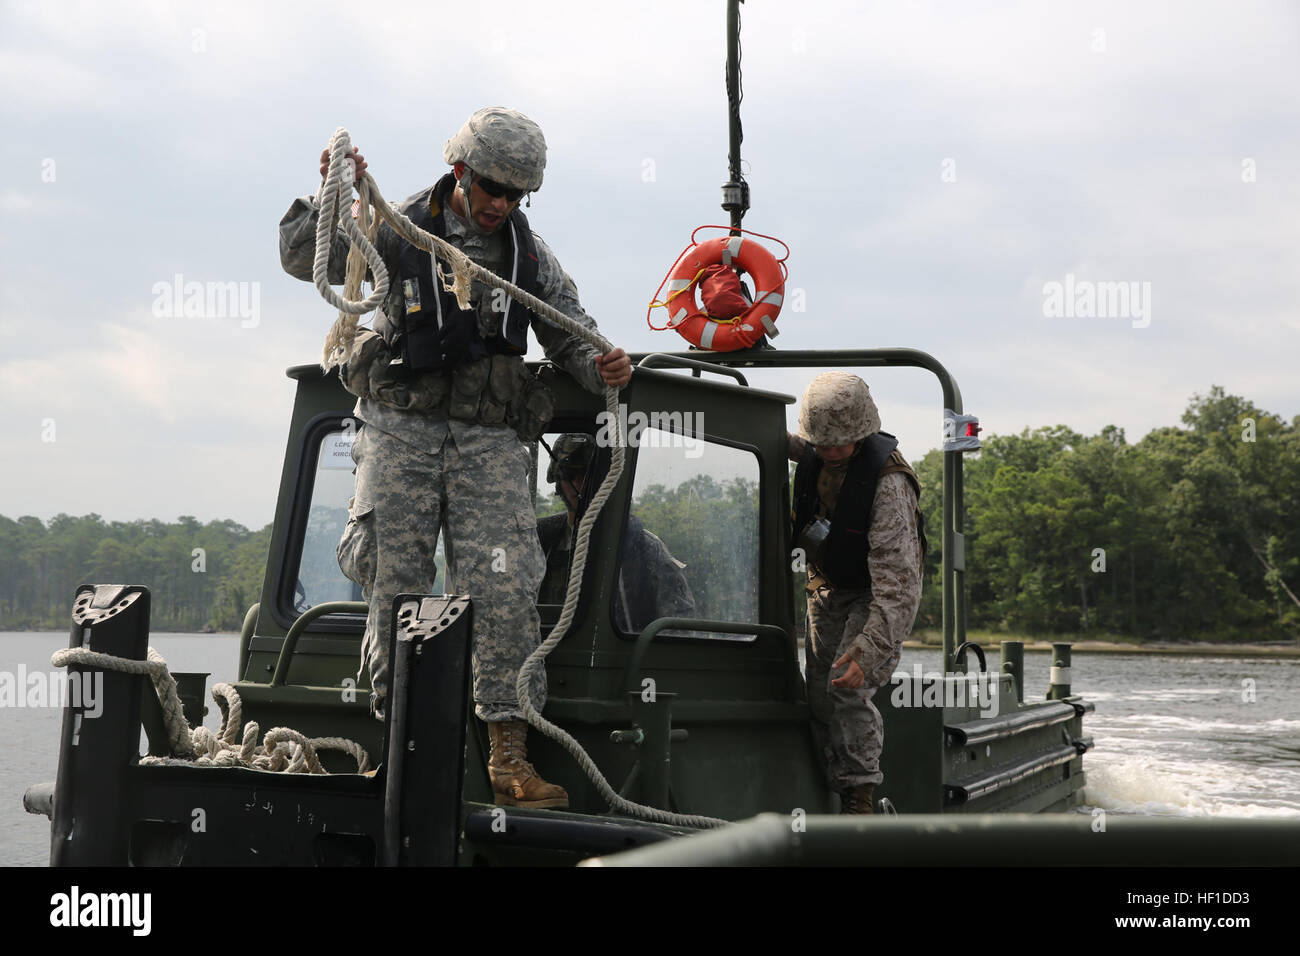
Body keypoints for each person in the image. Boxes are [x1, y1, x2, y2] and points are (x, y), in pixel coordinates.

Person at [279, 107, 632, 809]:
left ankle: (509, 756)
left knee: (503, 590)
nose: (501, 204)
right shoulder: (394, 221)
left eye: (515, 194)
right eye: (492, 187)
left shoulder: (528, 257)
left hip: (490, 439)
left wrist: (605, 366)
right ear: (461, 172)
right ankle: (399, 752)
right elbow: (301, 258)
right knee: (395, 584)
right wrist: (330, 199)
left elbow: (571, 332)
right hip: (400, 430)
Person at [788, 372, 924, 814]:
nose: (828, 452)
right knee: (820, 693)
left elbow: (897, 587)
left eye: (839, 443)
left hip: (876, 594)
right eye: (820, 443)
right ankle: (824, 788)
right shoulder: (814, 452)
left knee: (849, 685)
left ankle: (859, 798)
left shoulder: (888, 485)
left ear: (862, 433)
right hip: (828, 585)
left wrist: (867, 651)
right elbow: (777, 440)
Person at [536, 433, 696, 630]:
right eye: (572, 476)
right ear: (558, 481)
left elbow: (679, 624)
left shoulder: (644, 547)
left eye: (589, 475)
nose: (582, 485)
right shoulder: (540, 542)